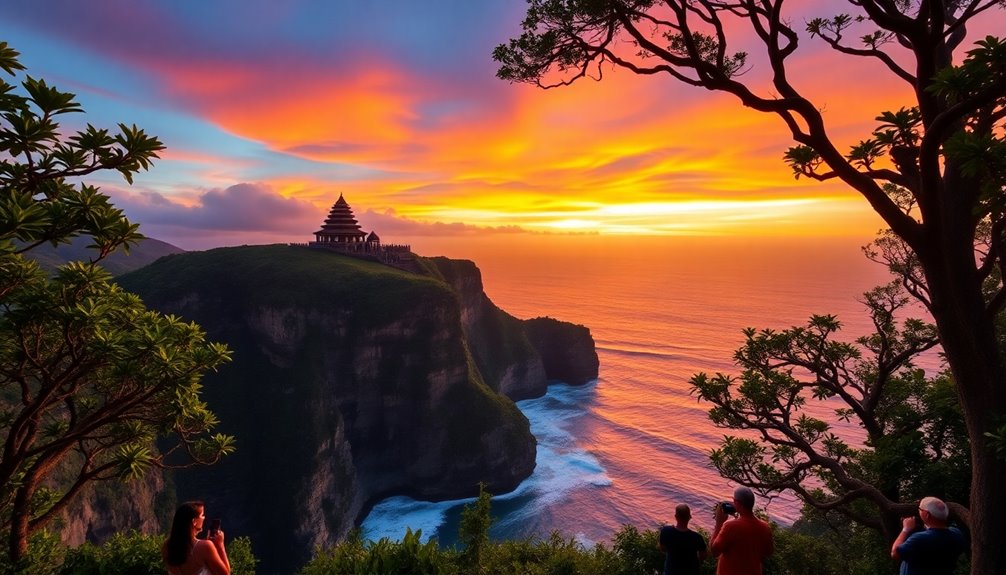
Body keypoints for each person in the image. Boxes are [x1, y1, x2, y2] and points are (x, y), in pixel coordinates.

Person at [890, 496, 967, 575]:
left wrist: (905, 529)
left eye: (920, 509)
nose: (918, 511)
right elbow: (936, 536)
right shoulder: (957, 534)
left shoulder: (920, 539)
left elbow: (895, 554)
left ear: (927, 514)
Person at [710, 486, 773, 575]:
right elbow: (768, 552)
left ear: (737, 503)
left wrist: (719, 523)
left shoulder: (730, 526)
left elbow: (714, 551)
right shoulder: (765, 527)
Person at [162, 500, 231, 575]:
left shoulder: (167, 546)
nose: (204, 518)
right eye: (202, 515)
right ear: (194, 521)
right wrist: (220, 545)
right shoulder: (205, 547)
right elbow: (225, 574)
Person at [658, 503, 707, 575]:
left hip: (671, 571)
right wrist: (695, 564)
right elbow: (703, 555)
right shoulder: (697, 537)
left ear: (675, 516)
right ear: (689, 517)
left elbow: (662, 549)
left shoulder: (666, 531)